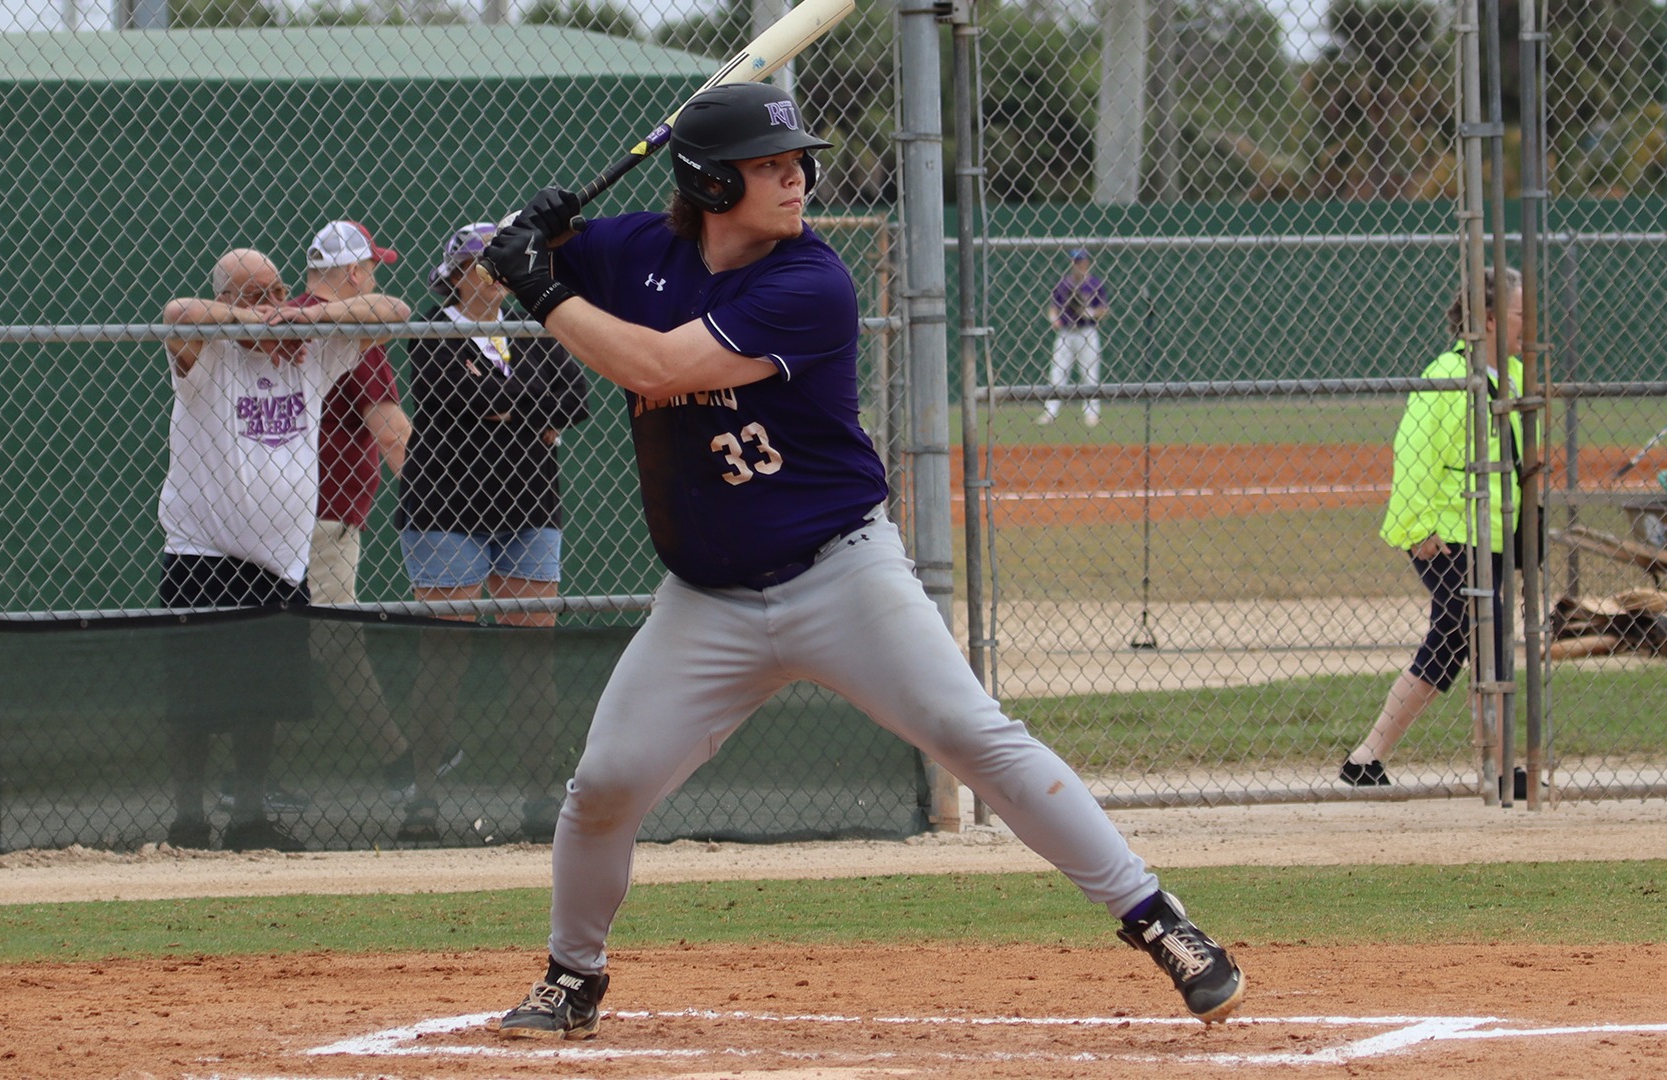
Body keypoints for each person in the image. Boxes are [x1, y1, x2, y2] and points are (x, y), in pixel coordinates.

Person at [475, 83, 1244, 1039]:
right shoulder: (633, 251)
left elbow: (656, 368)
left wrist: (542, 282)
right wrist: (520, 236)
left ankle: (1162, 923)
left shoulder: (810, 283)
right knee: (606, 785)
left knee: (975, 737)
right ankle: (571, 976)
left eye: (797, 159)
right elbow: (471, 273)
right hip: (705, 602)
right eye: (768, 165)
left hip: (841, 574)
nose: (796, 176)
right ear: (711, 184)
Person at [156, 234, 410, 850]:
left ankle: (248, 818)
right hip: (203, 552)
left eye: (275, 291)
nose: (271, 304)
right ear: (230, 301)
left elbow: (394, 312)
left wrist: (305, 314)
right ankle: (188, 817)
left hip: (281, 559)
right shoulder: (209, 358)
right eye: (253, 295)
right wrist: (244, 319)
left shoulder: (313, 351)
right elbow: (177, 314)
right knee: (195, 702)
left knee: (262, 701)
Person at [393, 222, 591, 842]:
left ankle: (540, 805)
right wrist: (532, 410)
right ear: (458, 272)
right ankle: (422, 802)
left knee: (533, 660)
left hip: (530, 506)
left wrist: (512, 403)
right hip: (446, 508)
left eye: (502, 263)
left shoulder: (535, 323)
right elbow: (468, 404)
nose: (498, 274)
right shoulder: (434, 329)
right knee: (444, 657)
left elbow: (577, 397)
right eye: (485, 264)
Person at [1343, 266, 1526, 787]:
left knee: (1467, 642)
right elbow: (1414, 454)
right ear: (1489, 320)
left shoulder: (1502, 379)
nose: (1528, 326)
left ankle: (1372, 760)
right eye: (1518, 315)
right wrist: (1420, 527)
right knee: (1464, 638)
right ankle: (1490, 766)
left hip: (1489, 536)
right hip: (1447, 538)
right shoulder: (1447, 376)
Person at [297, 251, 417, 806]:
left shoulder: (288, 318)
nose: (375, 279)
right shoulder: (357, 346)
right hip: (323, 520)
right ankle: (401, 759)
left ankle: (400, 757)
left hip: (285, 516)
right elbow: (393, 436)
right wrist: (437, 497)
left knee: (295, 640)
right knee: (334, 644)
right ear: (353, 274)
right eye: (371, 268)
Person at [1038, 248, 1110, 427]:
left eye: (1082, 261)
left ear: (1087, 263)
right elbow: (1053, 308)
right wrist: (1054, 319)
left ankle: (1092, 413)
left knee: (1090, 373)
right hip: (1066, 333)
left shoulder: (1094, 283)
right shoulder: (1064, 284)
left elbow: (1104, 309)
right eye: (1076, 262)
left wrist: (1090, 313)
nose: (1079, 265)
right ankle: (1050, 412)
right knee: (1058, 371)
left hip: (1087, 331)